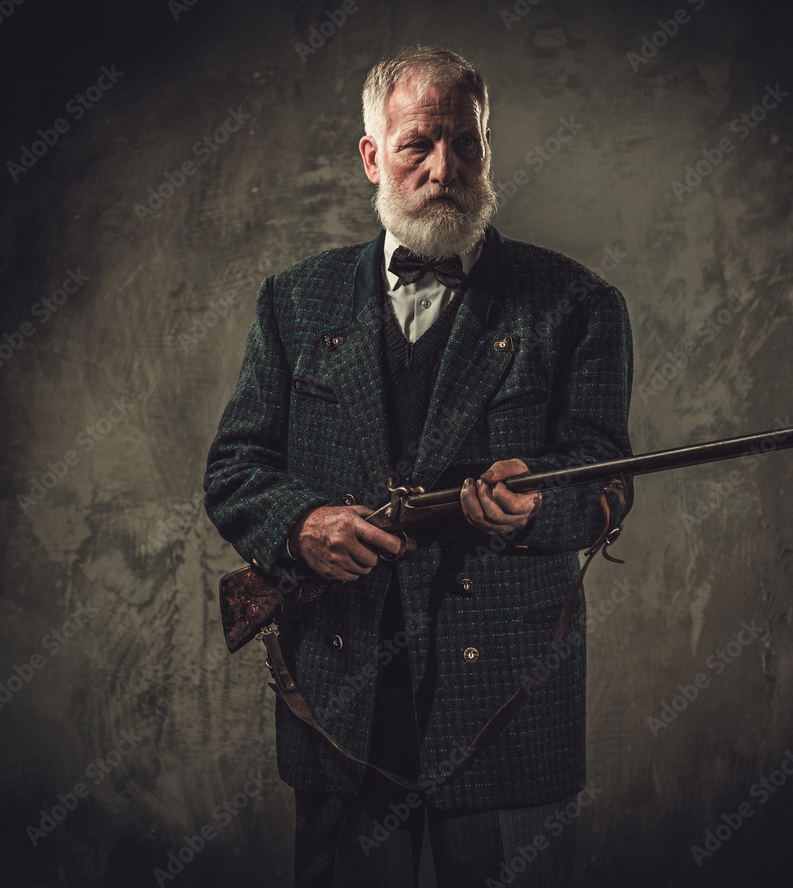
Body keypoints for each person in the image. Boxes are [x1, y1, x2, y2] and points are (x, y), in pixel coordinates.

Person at [203, 45, 633, 888]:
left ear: (486, 149)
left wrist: (539, 509)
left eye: (466, 145)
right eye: (417, 146)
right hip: (344, 690)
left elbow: (607, 485)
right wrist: (300, 525)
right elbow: (236, 467)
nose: (446, 169)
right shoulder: (294, 302)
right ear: (373, 156)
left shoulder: (579, 304)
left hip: (504, 707)